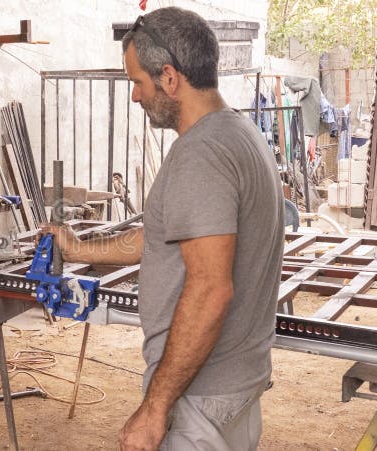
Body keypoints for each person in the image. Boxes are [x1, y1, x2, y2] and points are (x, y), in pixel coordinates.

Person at [43, 7, 283, 450]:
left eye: (137, 81)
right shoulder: (241, 134)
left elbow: (211, 288)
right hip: (234, 384)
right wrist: (78, 247)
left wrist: (156, 407)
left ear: (169, 77)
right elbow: (161, 237)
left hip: (201, 393)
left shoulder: (202, 155)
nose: (135, 96)